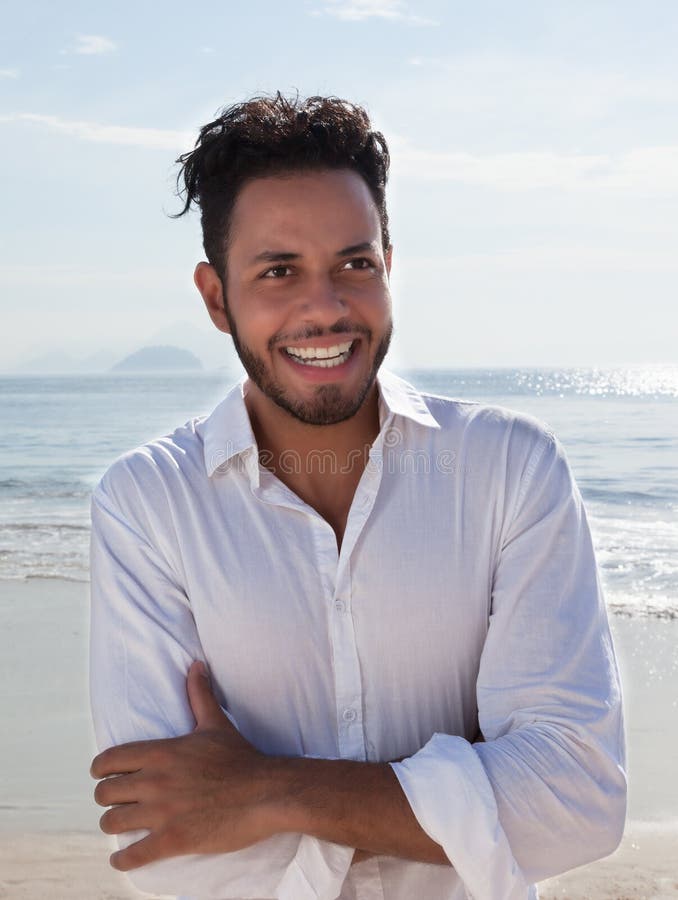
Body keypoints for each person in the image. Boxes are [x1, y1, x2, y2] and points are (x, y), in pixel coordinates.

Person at [88, 93, 626, 900]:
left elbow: (577, 802)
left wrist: (268, 790)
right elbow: (166, 845)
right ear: (215, 297)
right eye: (279, 271)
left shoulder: (511, 469)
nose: (327, 306)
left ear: (388, 266)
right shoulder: (146, 504)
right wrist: (461, 795)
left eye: (355, 263)